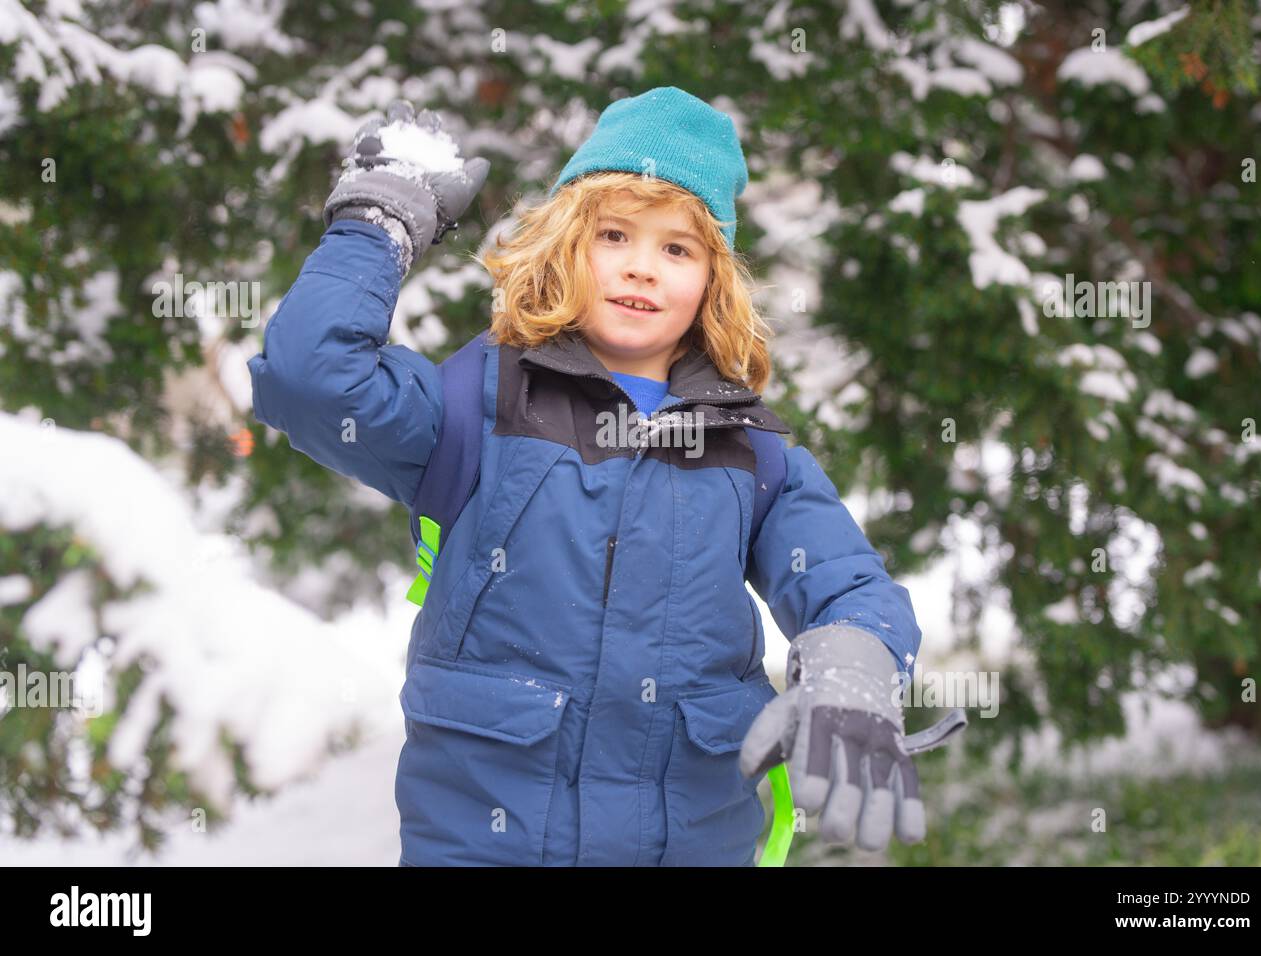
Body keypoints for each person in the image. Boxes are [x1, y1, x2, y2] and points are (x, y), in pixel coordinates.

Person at [247, 88, 928, 866]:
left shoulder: (750, 450)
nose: (643, 267)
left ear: (714, 279)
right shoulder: (477, 409)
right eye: (614, 235)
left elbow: (847, 583)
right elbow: (310, 380)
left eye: (678, 249)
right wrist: (379, 221)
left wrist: (853, 665)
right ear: (567, 245)